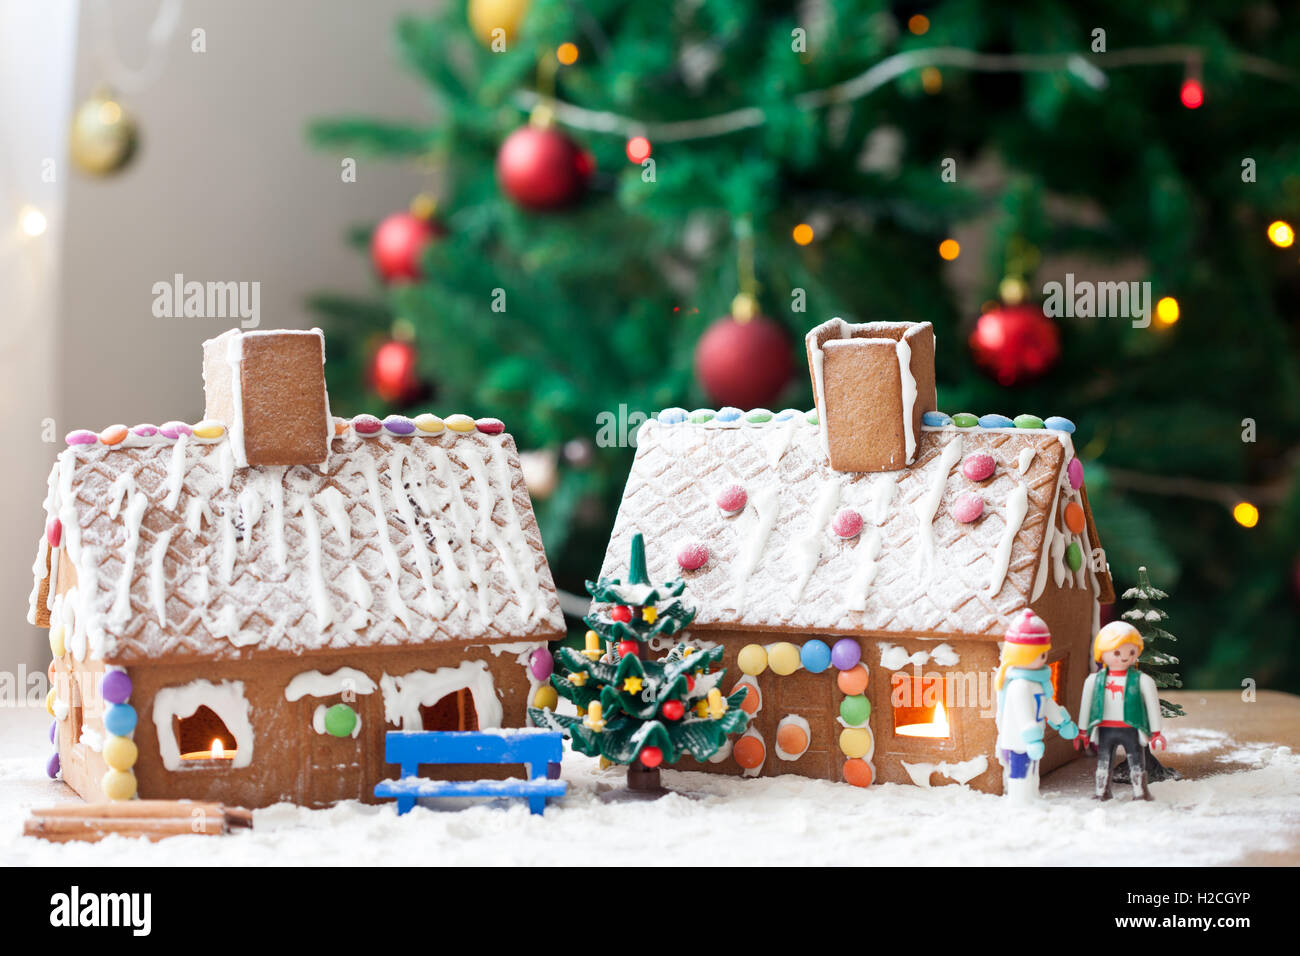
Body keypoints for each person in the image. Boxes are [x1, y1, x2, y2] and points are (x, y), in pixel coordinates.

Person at [994, 609, 1080, 802]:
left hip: (1034, 741)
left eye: (1044, 654)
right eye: (1037, 654)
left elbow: (1047, 703)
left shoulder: (1039, 682)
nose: (1043, 659)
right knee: (1020, 774)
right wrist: (1031, 739)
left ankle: (1032, 796)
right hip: (1019, 741)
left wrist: (1062, 722)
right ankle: (1019, 800)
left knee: (1033, 771)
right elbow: (1024, 715)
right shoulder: (1019, 685)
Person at [1079, 620, 1167, 801]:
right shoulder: (1094, 681)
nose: (1124, 657)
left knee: (1136, 762)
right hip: (1105, 729)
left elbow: (1152, 705)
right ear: (1102, 653)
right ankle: (1101, 791)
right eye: (1117, 652)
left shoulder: (1142, 680)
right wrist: (1083, 730)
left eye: (1131, 652)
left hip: (1131, 727)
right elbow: (1085, 705)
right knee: (1104, 763)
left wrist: (1156, 732)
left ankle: (1140, 792)